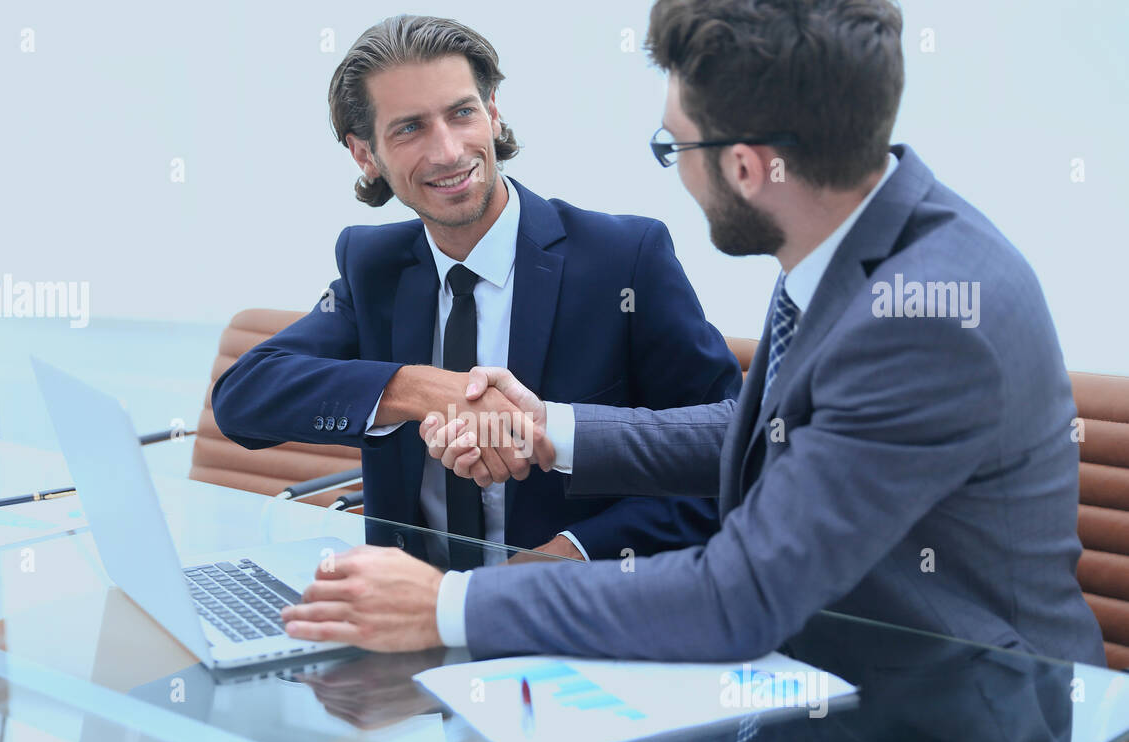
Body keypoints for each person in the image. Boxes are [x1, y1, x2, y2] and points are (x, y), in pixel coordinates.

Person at [280, 0, 1106, 670]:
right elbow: (754, 433)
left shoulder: (923, 319)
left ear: (746, 168)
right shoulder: (864, 244)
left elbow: (737, 597)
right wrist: (552, 430)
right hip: (819, 696)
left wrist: (447, 604)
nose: (672, 167)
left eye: (671, 144)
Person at [212, 15, 740, 570]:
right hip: (410, 614)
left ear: (492, 112)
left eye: (462, 113)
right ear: (365, 155)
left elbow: (726, 462)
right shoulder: (375, 266)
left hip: (573, 610)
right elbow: (244, 398)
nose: (447, 151)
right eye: (409, 128)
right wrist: (419, 389)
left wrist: (568, 556)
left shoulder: (624, 258)